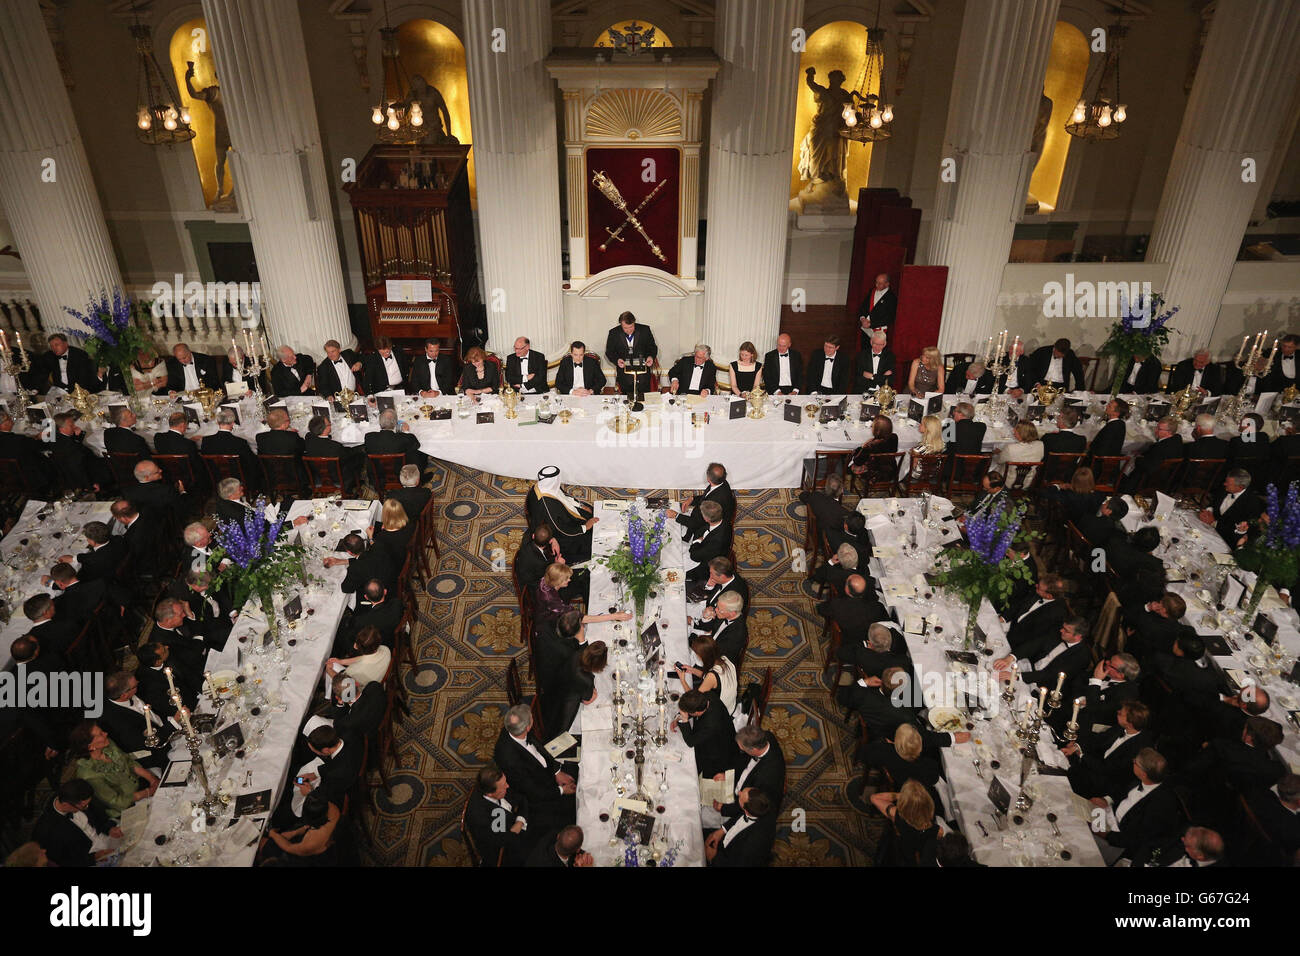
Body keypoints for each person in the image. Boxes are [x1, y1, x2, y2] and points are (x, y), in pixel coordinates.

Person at [1090, 748, 1184, 863]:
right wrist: (1106, 800)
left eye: (1135, 762)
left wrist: (1106, 834)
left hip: (1117, 840)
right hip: (1108, 816)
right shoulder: (1140, 780)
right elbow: (1122, 792)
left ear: (1144, 774)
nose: (1133, 761)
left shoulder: (1160, 805)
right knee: (1077, 813)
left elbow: (1137, 840)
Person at [492, 704, 576, 832]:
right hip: (538, 797)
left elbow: (539, 747)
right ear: (528, 727)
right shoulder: (509, 759)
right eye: (531, 718)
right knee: (574, 813)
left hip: (547, 773)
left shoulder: (514, 729)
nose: (533, 717)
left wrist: (557, 772)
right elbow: (532, 791)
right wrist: (562, 790)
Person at [69, 720, 158, 821]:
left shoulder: (108, 744)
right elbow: (115, 801)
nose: (106, 734)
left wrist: (152, 779)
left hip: (141, 788)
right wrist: (148, 792)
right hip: (127, 808)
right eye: (101, 734)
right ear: (91, 747)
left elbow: (129, 762)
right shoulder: (89, 774)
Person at [1063, 701, 1153, 801]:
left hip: (1102, 786)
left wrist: (1081, 755)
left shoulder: (1139, 748)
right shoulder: (1120, 728)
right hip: (1090, 769)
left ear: (1129, 723)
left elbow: (1109, 770)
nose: (1117, 712)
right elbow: (1097, 740)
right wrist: (1076, 746)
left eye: (1120, 713)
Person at [32, 779, 123, 867]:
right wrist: (93, 857)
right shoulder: (47, 830)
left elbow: (98, 815)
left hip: (104, 836)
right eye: (83, 807)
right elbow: (63, 860)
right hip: (88, 856)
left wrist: (109, 828)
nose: (87, 807)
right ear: (66, 805)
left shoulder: (80, 797)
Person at [994, 617, 1091, 692]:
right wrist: (1010, 658)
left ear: (1078, 636)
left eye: (1066, 630)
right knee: (995, 668)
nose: (1061, 630)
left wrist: (1017, 676)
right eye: (1063, 627)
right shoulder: (1059, 632)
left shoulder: (1081, 656)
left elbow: (1050, 675)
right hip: (1026, 666)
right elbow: (1034, 644)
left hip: (1039, 685)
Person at [713, 724, 786, 822]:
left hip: (743, 801)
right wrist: (729, 775)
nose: (741, 750)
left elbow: (752, 804)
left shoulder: (766, 777)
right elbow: (742, 760)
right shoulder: (766, 736)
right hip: (740, 781)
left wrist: (724, 809)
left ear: (754, 750)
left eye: (742, 749)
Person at [465, 764, 534, 866]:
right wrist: (518, 826)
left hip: (513, 825)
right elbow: (503, 840)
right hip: (501, 851)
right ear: (490, 794)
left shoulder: (499, 783)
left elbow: (521, 799)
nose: (508, 786)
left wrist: (520, 821)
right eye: (503, 786)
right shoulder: (480, 817)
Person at [526, 465, 597, 563]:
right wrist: (585, 527)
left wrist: (580, 506)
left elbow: (564, 496)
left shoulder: (546, 486)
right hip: (561, 532)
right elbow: (560, 528)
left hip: (565, 513)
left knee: (592, 513)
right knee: (590, 540)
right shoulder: (546, 505)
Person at [871, 779, 941, 866]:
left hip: (904, 853)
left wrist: (899, 796)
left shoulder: (897, 816)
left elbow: (874, 798)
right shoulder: (936, 830)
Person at [673, 688, 739, 778]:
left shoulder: (710, 724)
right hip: (719, 733)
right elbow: (691, 706)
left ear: (696, 712)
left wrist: (684, 720)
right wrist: (678, 718)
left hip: (717, 753)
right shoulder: (708, 696)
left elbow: (691, 741)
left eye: (687, 712)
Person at [262, 791, 340, 866]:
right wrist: (295, 832)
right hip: (327, 835)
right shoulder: (332, 809)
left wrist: (272, 834)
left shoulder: (311, 842)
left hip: (315, 858)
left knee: (265, 844)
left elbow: (289, 847)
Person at [706, 788, 776, 867]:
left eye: (740, 795)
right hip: (724, 841)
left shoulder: (751, 844)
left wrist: (713, 858)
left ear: (746, 810)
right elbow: (738, 815)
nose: (739, 792)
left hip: (725, 858)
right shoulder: (758, 806)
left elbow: (735, 863)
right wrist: (722, 830)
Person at [668, 461, 736, 538]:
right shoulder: (721, 482)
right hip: (703, 515)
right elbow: (707, 496)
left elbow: (697, 523)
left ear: (708, 478)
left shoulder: (714, 503)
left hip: (706, 528)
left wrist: (676, 516)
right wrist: (692, 499)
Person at [552, 641, 607, 733]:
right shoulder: (585, 679)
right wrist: (594, 693)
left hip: (557, 685)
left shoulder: (578, 653)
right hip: (564, 707)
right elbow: (587, 700)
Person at [1002, 573, 1068, 651]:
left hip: (1018, 642)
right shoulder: (1037, 590)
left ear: (1049, 596)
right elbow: (1019, 605)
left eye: (1039, 588)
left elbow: (1034, 637)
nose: (1036, 586)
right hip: (1010, 625)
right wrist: (1003, 618)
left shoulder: (1056, 613)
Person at [1199, 468, 1262, 548]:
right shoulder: (1226, 488)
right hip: (1207, 528)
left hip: (1223, 540)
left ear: (1240, 487)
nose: (1224, 484)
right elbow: (1214, 502)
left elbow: (1237, 532)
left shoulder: (1251, 504)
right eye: (1226, 481)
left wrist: (1214, 523)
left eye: (1228, 483)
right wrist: (1208, 512)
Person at [51, 411, 111, 492]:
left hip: (75, 469)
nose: (74, 426)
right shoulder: (70, 448)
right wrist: (90, 485)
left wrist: (79, 435)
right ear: (62, 429)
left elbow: (72, 442)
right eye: (71, 425)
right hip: (90, 471)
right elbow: (77, 469)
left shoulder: (55, 436)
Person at [678, 633, 738, 715]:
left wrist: (682, 680)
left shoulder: (711, 676)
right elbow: (711, 678)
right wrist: (692, 670)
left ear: (703, 656)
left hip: (722, 712)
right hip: (731, 703)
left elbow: (694, 701)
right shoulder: (724, 659)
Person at [204, 406, 262, 490]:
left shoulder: (206, 441)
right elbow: (252, 462)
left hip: (217, 478)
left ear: (217, 422)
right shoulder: (240, 442)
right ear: (232, 423)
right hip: (239, 479)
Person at [1122, 415, 1185, 493]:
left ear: (1169, 432)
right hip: (1167, 479)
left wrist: (1138, 458)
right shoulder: (1177, 441)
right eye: (1157, 427)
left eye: (1159, 429)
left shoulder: (1160, 448)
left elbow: (1149, 466)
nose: (1156, 430)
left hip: (1150, 480)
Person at [603, 311, 658, 397]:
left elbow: (652, 347)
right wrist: (617, 360)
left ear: (634, 322)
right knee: (627, 398)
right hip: (624, 372)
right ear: (621, 324)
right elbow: (609, 352)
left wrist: (650, 357)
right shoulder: (614, 333)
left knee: (643, 397)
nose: (629, 330)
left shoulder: (645, 330)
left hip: (643, 371)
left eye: (631, 326)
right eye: (625, 328)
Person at [305, 414, 364, 493]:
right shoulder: (335, 447)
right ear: (325, 429)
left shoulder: (308, 438)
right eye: (329, 424)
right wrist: (361, 448)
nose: (330, 425)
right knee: (358, 458)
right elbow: (348, 454)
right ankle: (355, 483)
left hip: (317, 474)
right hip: (337, 477)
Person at [324, 532, 397, 595]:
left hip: (378, 593)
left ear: (349, 552)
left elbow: (346, 589)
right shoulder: (378, 547)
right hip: (392, 581)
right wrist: (341, 561)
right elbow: (365, 559)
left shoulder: (355, 569)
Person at [325, 625, 391, 690]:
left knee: (332, 665)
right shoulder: (385, 650)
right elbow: (364, 658)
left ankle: (329, 697)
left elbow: (344, 684)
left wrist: (329, 670)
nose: (354, 645)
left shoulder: (354, 671)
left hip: (360, 691)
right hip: (378, 681)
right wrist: (341, 661)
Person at [365, 406, 426, 472]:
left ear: (380, 422)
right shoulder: (404, 438)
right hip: (400, 472)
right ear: (395, 423)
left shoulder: (369, 437)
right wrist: (406, 432)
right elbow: (417, 445)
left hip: (377, 472)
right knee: (417, 453)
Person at [38, 333, 102, 393]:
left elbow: (84, 377)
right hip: (60, 392)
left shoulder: (79, 355)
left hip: (79, 390)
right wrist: (36, 388)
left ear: (66, 344)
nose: (54, 348)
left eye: (56, 345)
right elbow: (43, 373)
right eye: (52, 346)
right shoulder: (48, 356)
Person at [686, 500, 732, 581]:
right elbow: (701, 530)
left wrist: (696, 542)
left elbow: (694, 556)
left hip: (705, 567)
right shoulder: (723, 521)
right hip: (707, 548)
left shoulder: (716, 541)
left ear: (706, 519)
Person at [941, 402, 985, 481]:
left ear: (961, 414)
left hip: (953, 470)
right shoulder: (981, 427)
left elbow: (943, 439)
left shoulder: (951, 428)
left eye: (956, 411)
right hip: (975, 470)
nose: (953, 412)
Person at [368, 498, 417, 568]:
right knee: (377, 525)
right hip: (404, 549)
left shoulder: (382, 537)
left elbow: (376, 550)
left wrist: (370, 537)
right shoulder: (411, 524)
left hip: (396, 564)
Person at [995, 420, 1045, 484]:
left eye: (1016, 429)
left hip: (1008, 482)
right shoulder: (1040, 445)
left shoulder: (1010, 448)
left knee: (993, 462)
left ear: (1021, 433)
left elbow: (999, 461)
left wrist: (1000, 453)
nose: (1013, 431)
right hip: (1029, 482)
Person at [526, 824, 594, 867]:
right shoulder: (544, 862)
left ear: (558, 835)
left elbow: (570, 842)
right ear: (577, 849)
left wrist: (583, 856)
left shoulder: (553, 834)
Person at [857, 272, 896, 340]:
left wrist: (871, 324)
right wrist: (862, 319)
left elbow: (889, 317)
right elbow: (863, 307)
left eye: (880, 283)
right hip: (865, 329)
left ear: (887, 284)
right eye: (876, 282)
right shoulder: (872, 291)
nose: (877, 285)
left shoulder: (891, 298)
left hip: (879, 331)